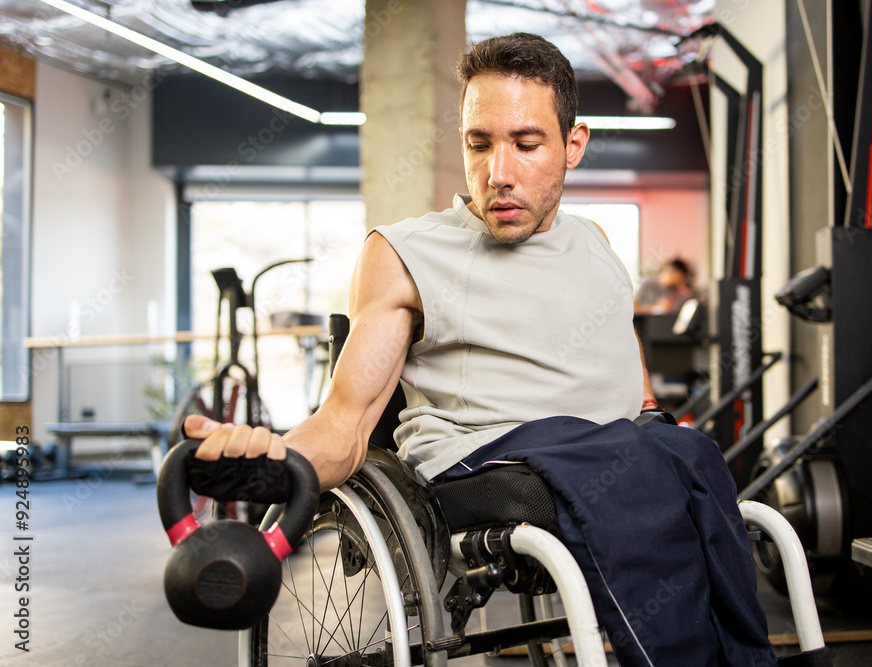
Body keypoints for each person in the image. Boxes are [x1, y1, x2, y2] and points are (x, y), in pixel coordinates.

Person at [183, 33, 775, 666]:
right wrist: (273, 458)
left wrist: (650, 409)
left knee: (686, 450)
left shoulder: (596, 241)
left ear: (573, 146)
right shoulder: (404, 255)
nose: (499, 174)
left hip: (614, 447)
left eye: (526, 144)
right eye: (479, 144)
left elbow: (621, 355)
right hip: (487, 459)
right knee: (651, 464)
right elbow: (345, 423)